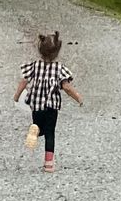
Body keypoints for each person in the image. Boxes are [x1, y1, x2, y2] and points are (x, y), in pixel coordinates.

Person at [13, 29, 82, 174]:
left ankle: (35, 131)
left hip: (36, 105)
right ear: (57, 52)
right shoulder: (59, 69)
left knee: (38, 125)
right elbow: (67, 87)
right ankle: (49, 164)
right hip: (51, 106)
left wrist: (17, 95)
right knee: (50, 133)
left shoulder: (34, 66)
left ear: (40, 50)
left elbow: (23, 82)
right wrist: (78, 97)